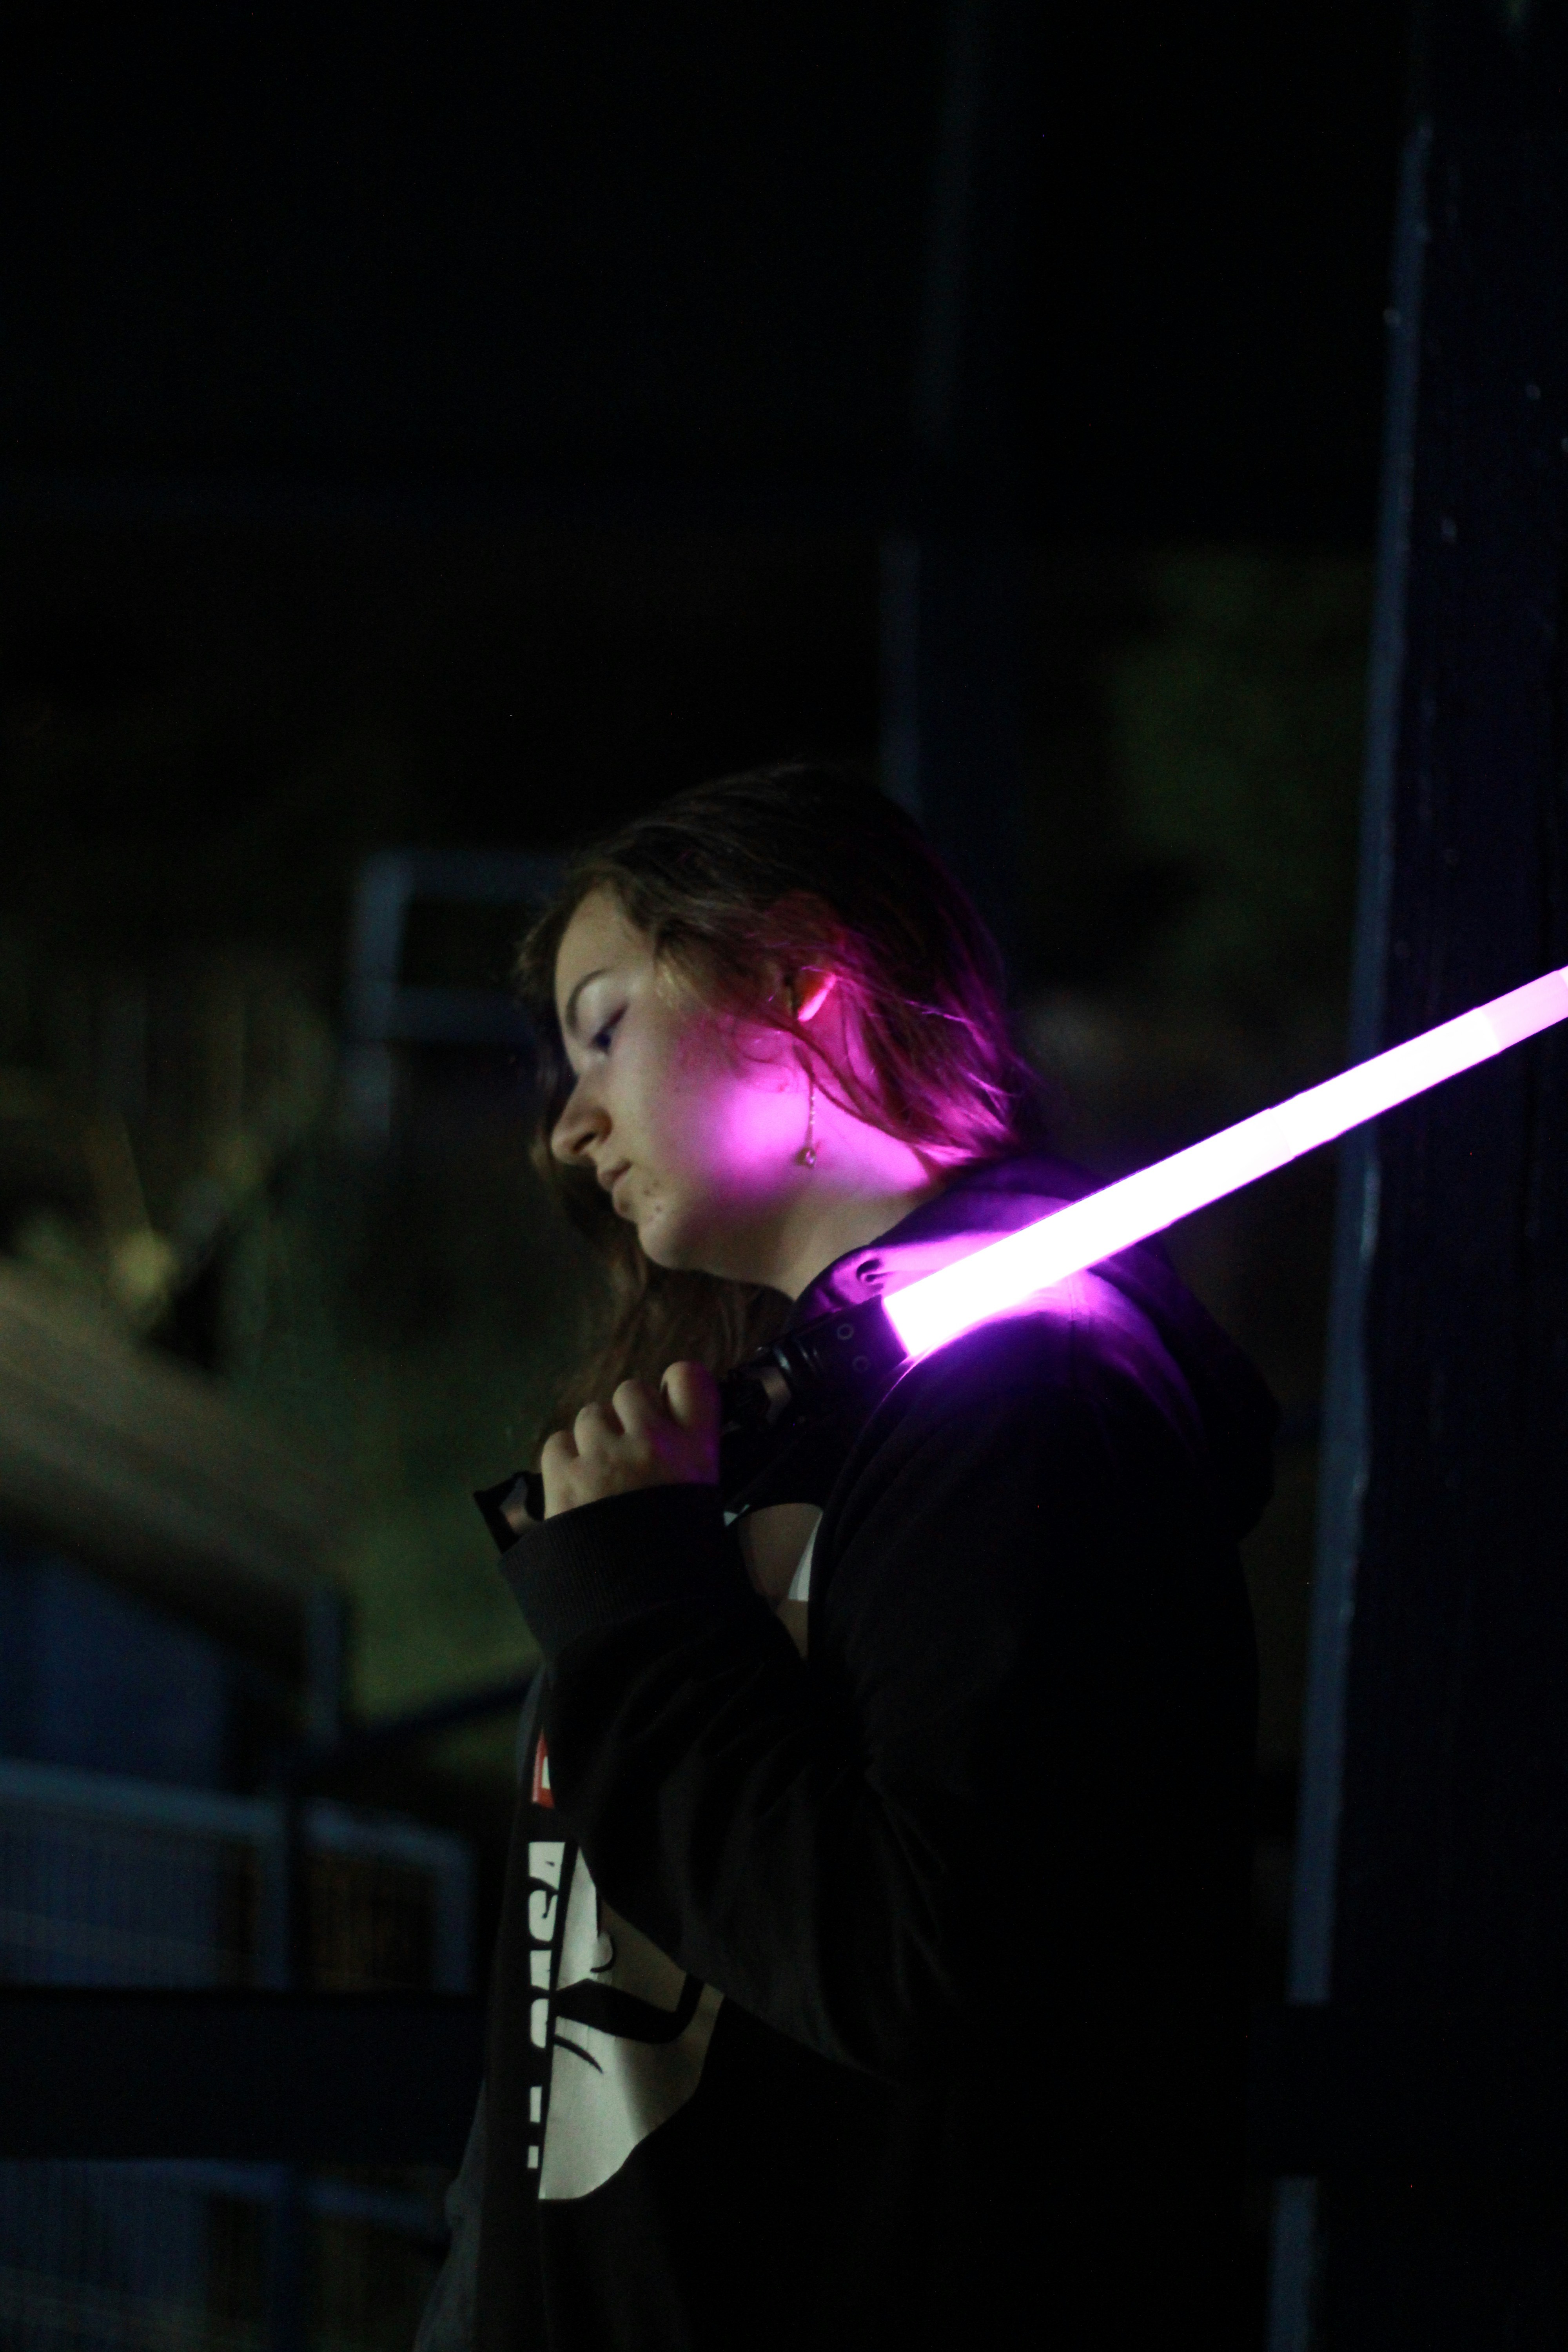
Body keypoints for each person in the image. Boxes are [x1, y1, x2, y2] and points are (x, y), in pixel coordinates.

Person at [416, 765, 1274, 2352]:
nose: (568, 1122)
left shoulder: (1029, 1401)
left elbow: (929, 1968)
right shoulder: (793, 1421)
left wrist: (640, 1625)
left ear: (794, 971)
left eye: (604, 1023)